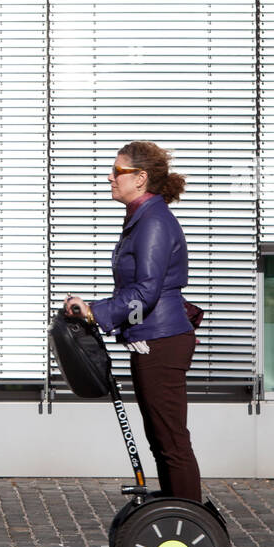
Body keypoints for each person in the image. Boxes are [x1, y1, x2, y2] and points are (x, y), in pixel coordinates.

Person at [64, 141, 201, 502]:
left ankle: (190, 528)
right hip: (151, 339)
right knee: (161, 440)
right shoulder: (142, 218)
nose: (109, 177)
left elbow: (146, 291)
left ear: (140, 179)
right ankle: (178, 520)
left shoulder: (154, 221)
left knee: (171, 441)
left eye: (117, 171)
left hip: (162, 341)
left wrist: (95, 310)